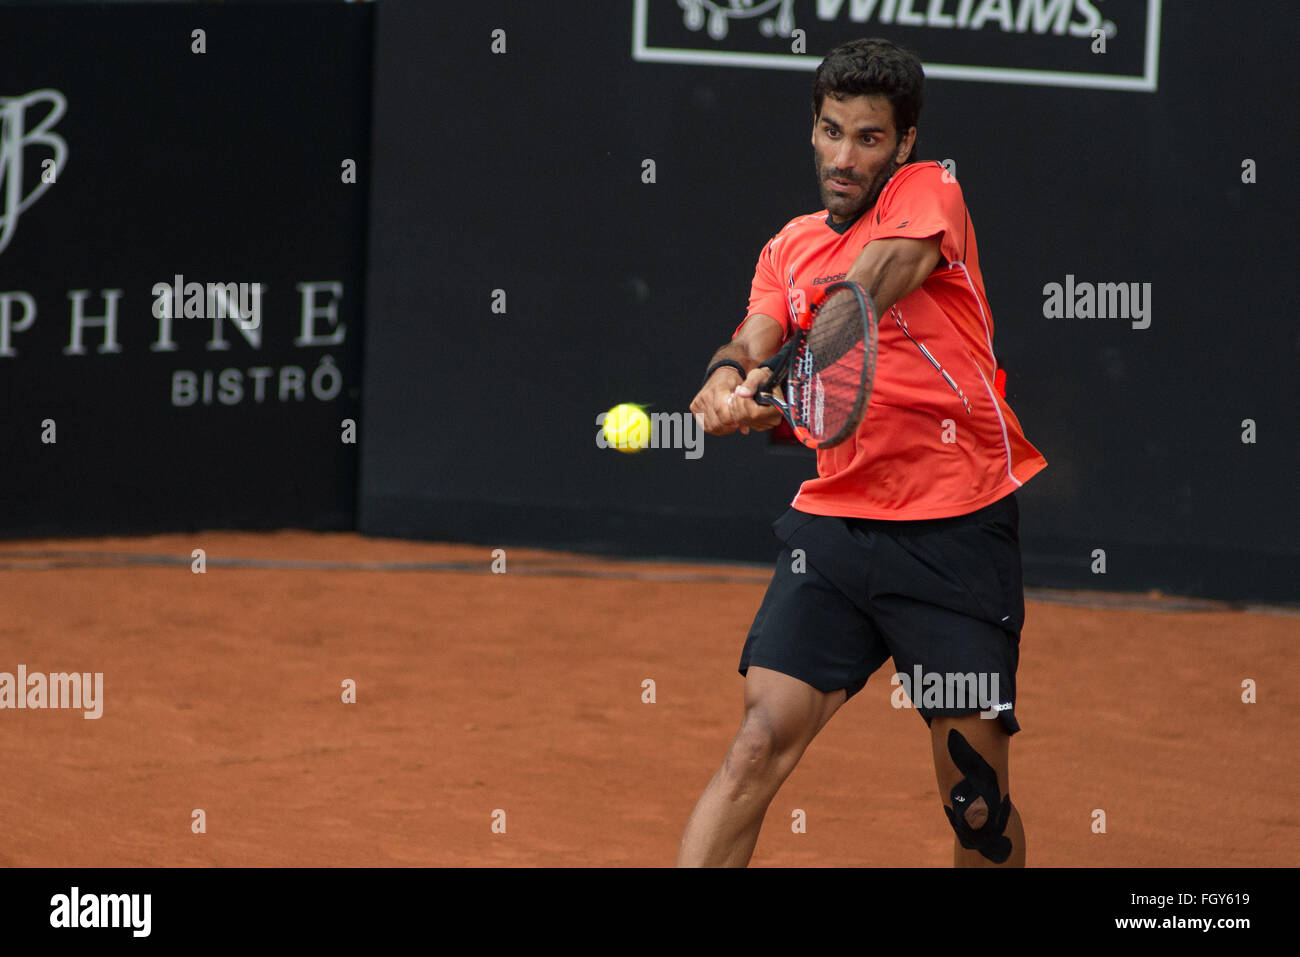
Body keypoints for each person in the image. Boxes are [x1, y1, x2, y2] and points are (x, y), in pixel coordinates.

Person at [679, 37, 1047, 868]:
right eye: (832, 131)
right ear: (812, 128)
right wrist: (726, 379)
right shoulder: (789, 245)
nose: (845, 157)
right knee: (757, 741)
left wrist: (801, 362)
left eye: (869, 138)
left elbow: (874, 279)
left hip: (955, 527)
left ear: (905, 143)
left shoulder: (930, 193)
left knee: (975, 800)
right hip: (837, 533)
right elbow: (751, 334)